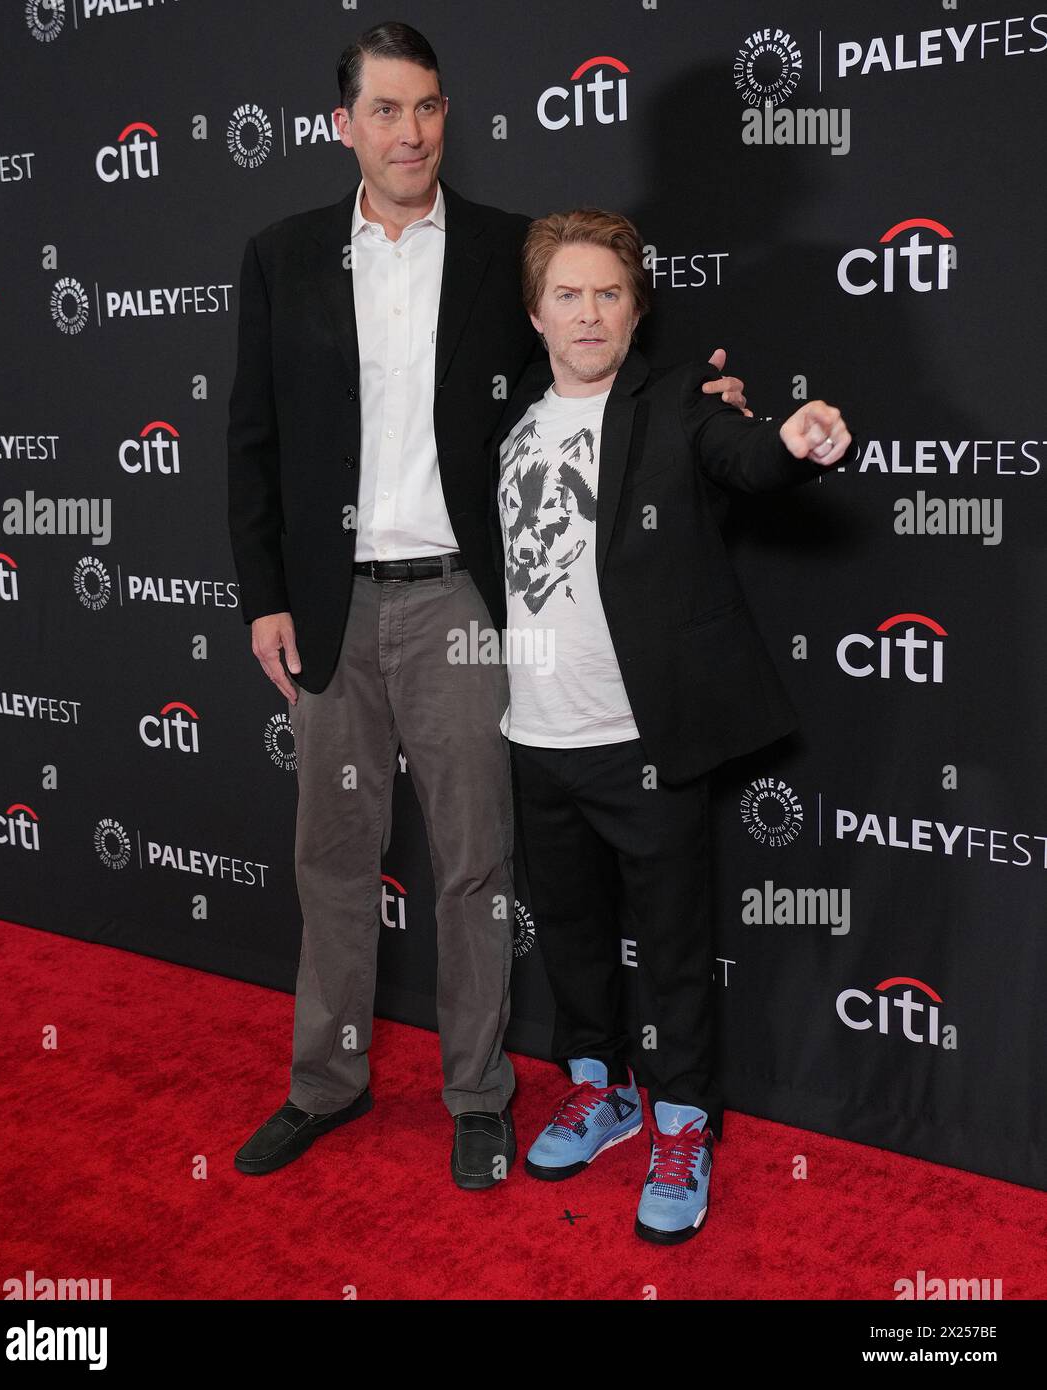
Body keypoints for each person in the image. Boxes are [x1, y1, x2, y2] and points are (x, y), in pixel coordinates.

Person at [226, 22, 749, 1190]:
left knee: (474, 864)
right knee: (331, 857)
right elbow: (250, 439)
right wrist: (262, 594)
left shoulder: (511, 252)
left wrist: (707, 399)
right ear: (342, 125)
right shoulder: (282, 254)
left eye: (425, 108)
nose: (407, 132)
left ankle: (476, 1096)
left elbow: (595, 363)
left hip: (465, 599)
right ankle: (328, 1081)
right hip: (326, 609)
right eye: (383, 111)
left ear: (446, 114)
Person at [489, 208, 850, 1242]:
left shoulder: (680, 403)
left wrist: (792, 439)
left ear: (636, 308)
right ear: (535, 311)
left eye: (608, 292)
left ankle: (681, 1120)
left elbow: (747, 454)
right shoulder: (506, 420)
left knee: (676, 949)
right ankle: (598, 1088)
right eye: (568, 293)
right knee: (569, 940)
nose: (588, 311)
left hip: (642, 742)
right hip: (534, 736)